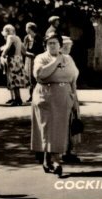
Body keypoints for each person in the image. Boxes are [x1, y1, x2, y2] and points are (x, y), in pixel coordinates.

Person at [31, 35, 79, 176]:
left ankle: (49, 158)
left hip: (64, 97)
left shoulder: (68, 59)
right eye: (49, 43)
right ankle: (56, 160)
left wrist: (74, 98)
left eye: (55, 43)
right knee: (49, 129)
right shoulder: (41, 58)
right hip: (45, 96)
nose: (52, 46)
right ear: (45, 45)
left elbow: (73, 79)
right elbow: (40, 74)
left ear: (60, 45)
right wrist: (56, 60)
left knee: (59, 130)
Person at [60, 36, 82, 164]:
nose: (68, 49)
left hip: (69, 92)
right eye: (65, 47)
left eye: (69, 47)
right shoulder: (66, 59)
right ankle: (67, 151)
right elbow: (72, 79)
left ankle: (67, 150)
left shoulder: (67, 58)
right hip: (69, 93)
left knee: (68, 122)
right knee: (69, 121)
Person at [0, 24, 29, 106]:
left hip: (12, 59)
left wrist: (2, 55)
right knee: (16, 78)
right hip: (19, 59)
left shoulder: (10, 37)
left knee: (13, 79)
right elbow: (24, 50)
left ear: (7, 31)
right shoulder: (17, 37)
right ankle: (17, 98)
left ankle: (17, 99)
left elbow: (7, 48)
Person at [24, 22, 42, 103]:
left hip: (36, 59)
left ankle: (37, 94)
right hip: (28, 59)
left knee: (36, 76)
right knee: (29, 77)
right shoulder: (26, 38)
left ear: (30, 29)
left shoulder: (38, 37)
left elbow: (41, 49)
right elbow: (24, 49)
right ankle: (31, 95)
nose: (26, 29)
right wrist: (27, 53)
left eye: (27, 28)